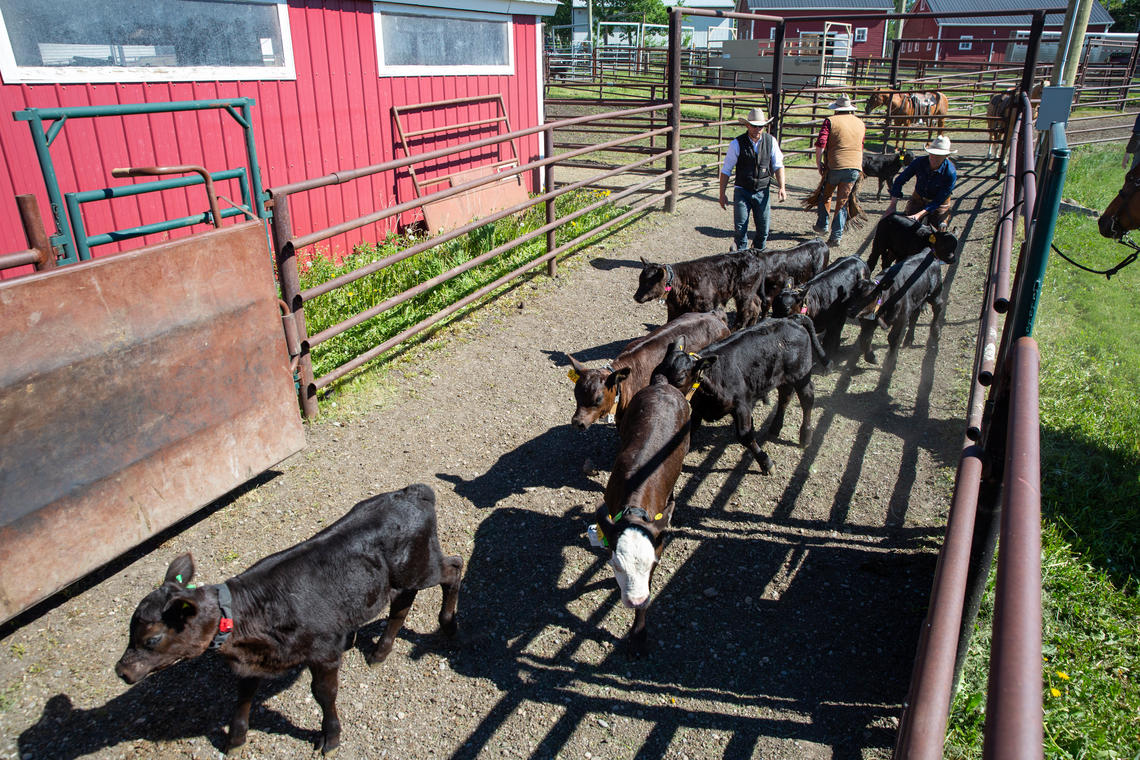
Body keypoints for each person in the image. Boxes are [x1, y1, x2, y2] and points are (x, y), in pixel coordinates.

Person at [719, 107, 787, 251]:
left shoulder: (770, 142)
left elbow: (778, 165)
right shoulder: (737, 143)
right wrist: (722, 193)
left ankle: (758, 254)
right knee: (740, 229)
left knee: (763, 230)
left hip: (762, 189)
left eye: (760, 126)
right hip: (742, 190)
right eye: (754, 126)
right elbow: (726, 170)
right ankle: (742, 257)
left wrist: (782, 187)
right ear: (747, 125)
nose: (757, 129)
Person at [814, 95, 866, 247]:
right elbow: (861, 146)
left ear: (836, 109)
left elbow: (821, 143)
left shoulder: (830, 121)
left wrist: (819, 163)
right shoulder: (860, 123)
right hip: (854, 167)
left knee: (825, 194)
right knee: (843, 201)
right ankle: (836, 235)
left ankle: (823, 225)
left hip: (835, 166)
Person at [886, 134, 958, 230]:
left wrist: (918, 215)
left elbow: (938, 200)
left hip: (939, 203)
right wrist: (893, 205)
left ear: (946, 156)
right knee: (906, 226)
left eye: (939, 156)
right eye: (932, 154)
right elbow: (900, 179)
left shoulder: (950, 173)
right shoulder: (919, 162)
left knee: (940, 230)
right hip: (918, 198)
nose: (934, 158)